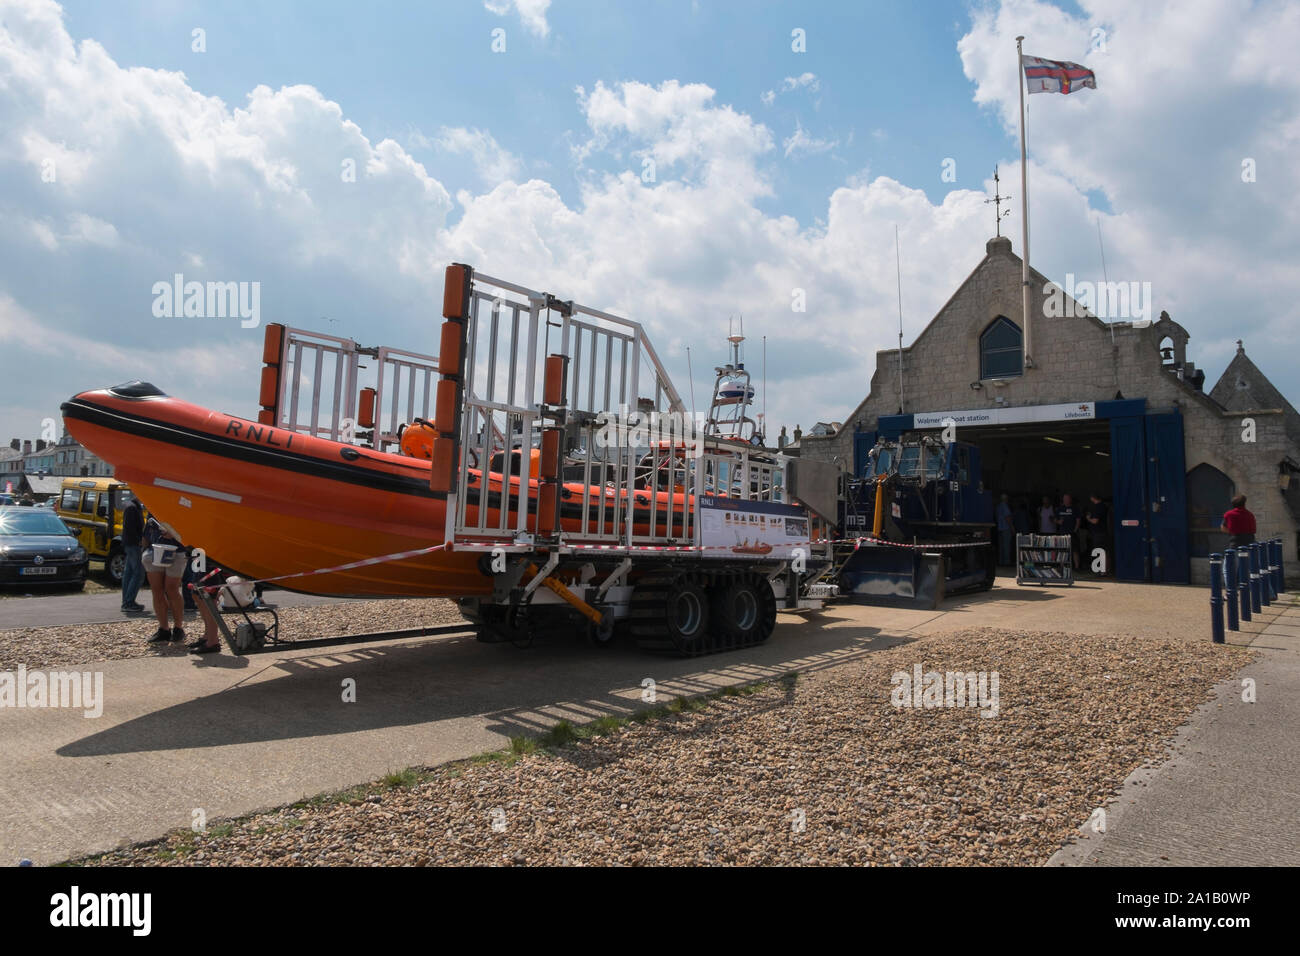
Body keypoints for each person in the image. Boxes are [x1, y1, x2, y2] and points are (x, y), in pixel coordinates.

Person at [142, 515, 187, 644]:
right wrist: (144, 549)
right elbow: (147, 529)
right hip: (155, 549)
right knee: (157, 590)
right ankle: (164, 629)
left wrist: (174, 533)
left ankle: (178, 628)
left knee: (172, 589)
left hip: (177, 550)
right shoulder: (153, 503)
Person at [119, 498, 146, 613]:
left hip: (130, 544)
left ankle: (127, 601)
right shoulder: (132, 508)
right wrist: (139, 540)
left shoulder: (130, 506)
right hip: (133, 544)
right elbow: (130, 528)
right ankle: (128, 602)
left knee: (129, 573)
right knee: (138, 573)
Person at [1084, 493, 1110, 574]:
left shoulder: (1098, 507)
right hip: (1103, 531)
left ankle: (1103, 570)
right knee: (1105, 551)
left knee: (1100, 551)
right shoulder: (1104, 506)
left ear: (1093, 498)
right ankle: (1105, 569)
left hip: (1098, 532)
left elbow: (1095, 521)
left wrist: (1088, 518)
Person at [1057, 493, 1080, 569]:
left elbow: (1078, 520)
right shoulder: (1060, 509)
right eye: (1064, 499)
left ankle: (1077, 567)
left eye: (1067, 499)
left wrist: (1075, 530)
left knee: (1074, 550)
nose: (1065, 500)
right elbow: (1053, 519)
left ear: (1070, 499)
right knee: (1062, 550)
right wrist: (1058, 521)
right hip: (1062, 533)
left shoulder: (1075, 509)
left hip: (1072, 533)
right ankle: (1062, 566)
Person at [996, 493, 1013, 566]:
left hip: (999, 528)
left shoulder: (998, 506)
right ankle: (1006, 562)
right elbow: (1008, 518)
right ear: (1006, 499)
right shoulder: (1005, 506)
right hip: (1006, 528)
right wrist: (1012, 527)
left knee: (1001, 546)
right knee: (1006, 546)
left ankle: (1001, 561)